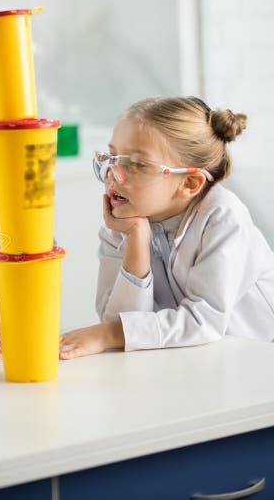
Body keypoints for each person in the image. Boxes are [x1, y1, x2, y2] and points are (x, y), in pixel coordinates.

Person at [59, 96, 274, 359]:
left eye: (136, 164)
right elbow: (119, 321)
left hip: (259, 360)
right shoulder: (124, 223)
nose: (112, 174)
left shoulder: (222, 217)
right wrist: (136, 239)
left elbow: (203, 321)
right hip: (190, 361)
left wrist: (107, 334)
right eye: (112, 157)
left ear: (190, 184)